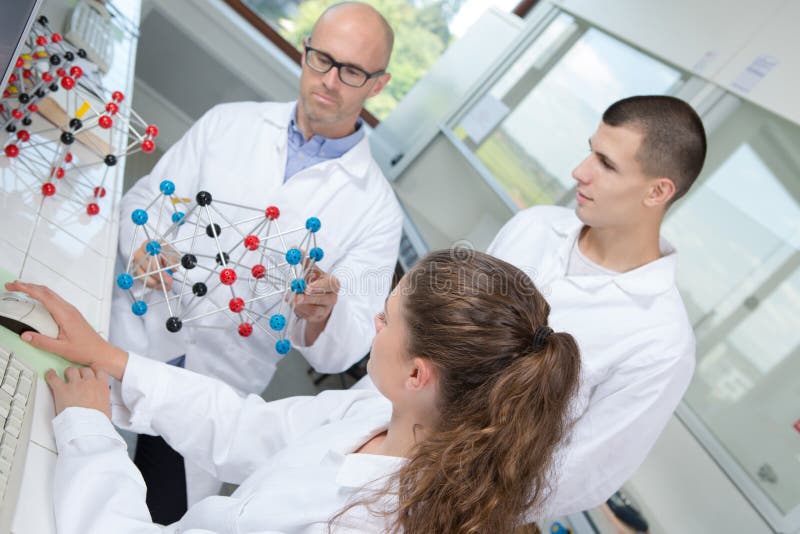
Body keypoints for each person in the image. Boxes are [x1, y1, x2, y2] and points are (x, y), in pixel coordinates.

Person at [7, 250, 580, 533]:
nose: (372, 328)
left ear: (418, 374)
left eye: (385, 320)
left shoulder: (365, 521)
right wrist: (110, 361)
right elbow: (248, 429)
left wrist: (88, 433)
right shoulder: (383, 411)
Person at [110, 2, 403, 519]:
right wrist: (146, 246)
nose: (329, 80)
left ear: (377, 84)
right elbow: (143, 202)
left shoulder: (377, 211)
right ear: (305, 50)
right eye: (320, 59)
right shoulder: (229, 124)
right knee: (61, 457)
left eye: (352, 70)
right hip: (132, 336)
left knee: (163, 519)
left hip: (216, 400)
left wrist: (323, 314)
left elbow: (345, 349)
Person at [487, 95, 706, 517]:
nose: (580, 172)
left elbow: (574, 479)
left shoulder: (662, 344)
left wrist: (443, 482)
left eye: (606, 164)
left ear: (658, 191)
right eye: (591, 151)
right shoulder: (533, 227)